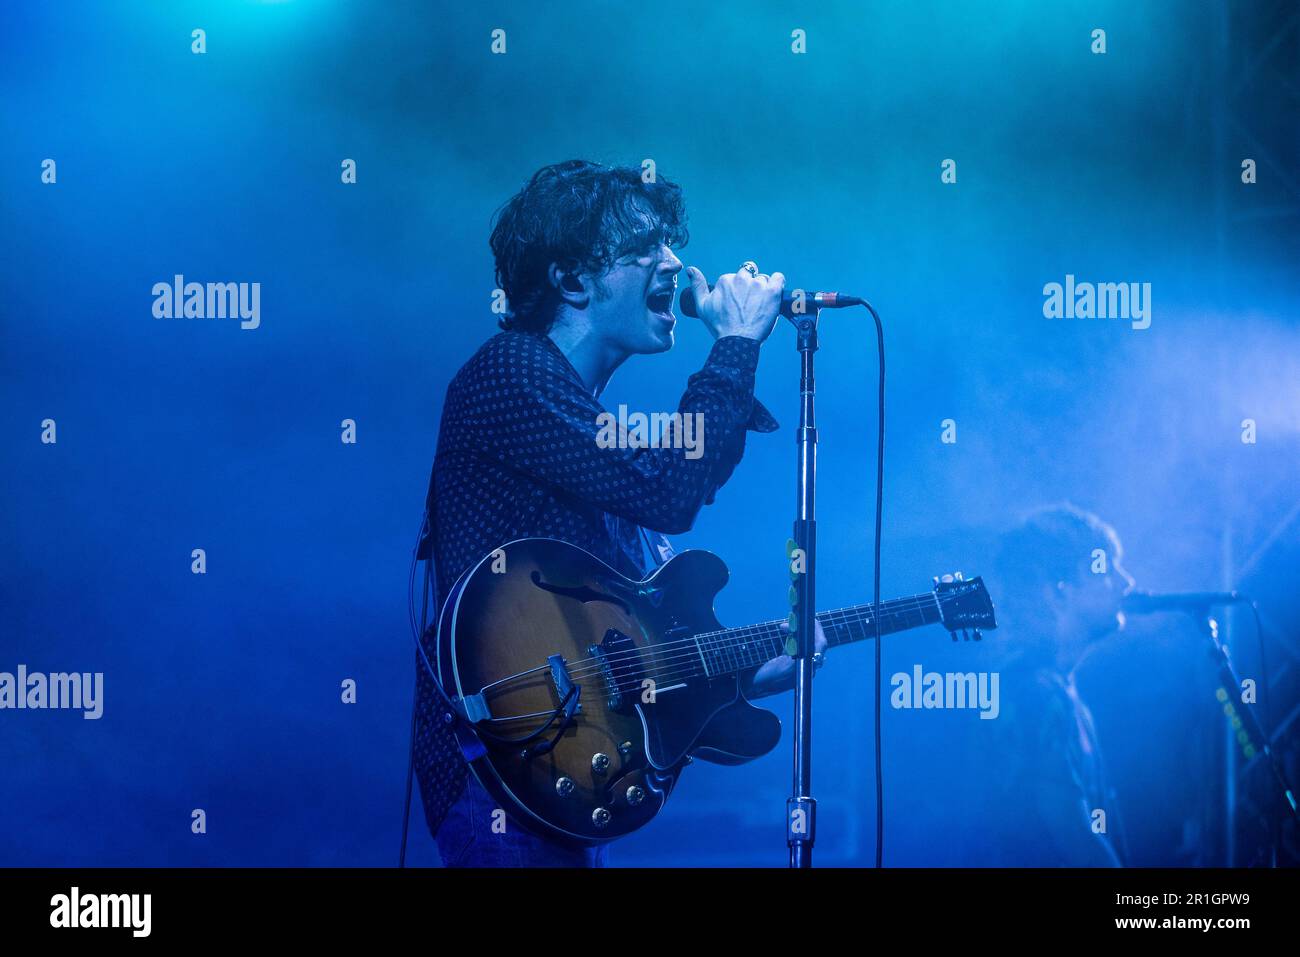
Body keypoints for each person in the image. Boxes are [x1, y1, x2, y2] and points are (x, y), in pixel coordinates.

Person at [413, 159, 824, 867]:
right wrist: (733, 344)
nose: (674, 264)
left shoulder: (581, 428)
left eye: (671, 245)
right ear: (572, 279)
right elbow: (668, 488)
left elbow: (668, 515)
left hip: (559, 774)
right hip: (503, 776)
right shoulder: (511, 371)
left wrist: (739, 670)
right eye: (646, 251)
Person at [963, 503, 1134, 866]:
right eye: (1105, 569)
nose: (1125, 582)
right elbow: (1075, 839)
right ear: (1059, 591)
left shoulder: (1055, 691)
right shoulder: (1034, 696)